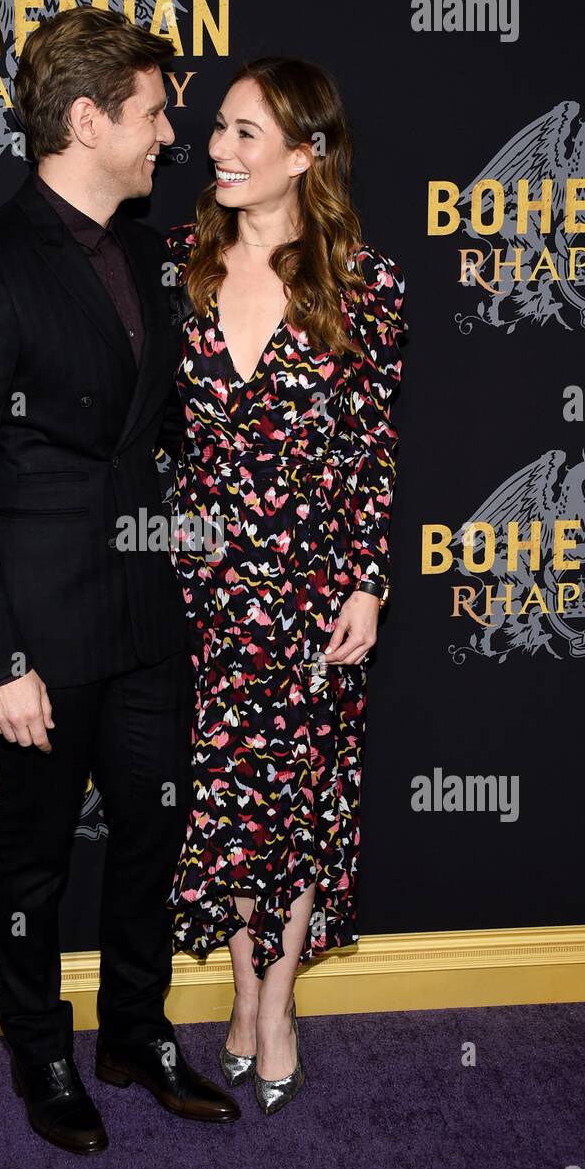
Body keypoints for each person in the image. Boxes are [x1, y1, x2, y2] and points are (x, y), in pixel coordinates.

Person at [0, 7, 239, 1156]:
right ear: (88, 118)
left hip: (148, 614)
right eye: (154, 113)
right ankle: (41, 1050)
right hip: (37, 635)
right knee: (36, 860)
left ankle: (134, 1034)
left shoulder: (147, 255)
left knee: (154, 833)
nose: (170, 135)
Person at [164, 56, 408, 1115]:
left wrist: (367, 581)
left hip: (313, 587)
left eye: (247, 133)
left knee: (303, 797)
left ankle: (275, 1004)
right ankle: (238, 978)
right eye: (217, 126)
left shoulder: (369, 284)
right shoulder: (180, 266)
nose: (218, 147)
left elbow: (372, 448)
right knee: (224, 800)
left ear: (306, 154)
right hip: (204, 587)